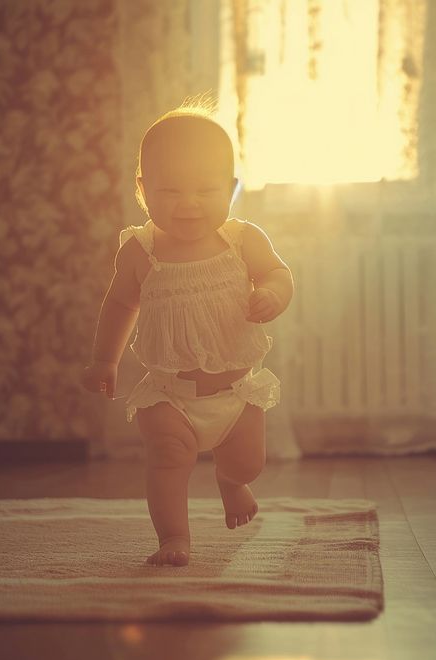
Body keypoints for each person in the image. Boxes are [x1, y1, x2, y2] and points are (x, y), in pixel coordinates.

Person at [80, 105, 294, 566]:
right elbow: (119, 305)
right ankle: (174, 538)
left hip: (236, 394)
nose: (188, 203)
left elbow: (278, 273)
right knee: (168, 457)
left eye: (205, 190)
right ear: (143, 191)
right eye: (171, 190)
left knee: (248, 462)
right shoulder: (141, 251)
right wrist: (105, 360)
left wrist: (273, 294)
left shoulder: (242, 240)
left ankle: (231, 482)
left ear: (231, 189)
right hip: (169, 394)